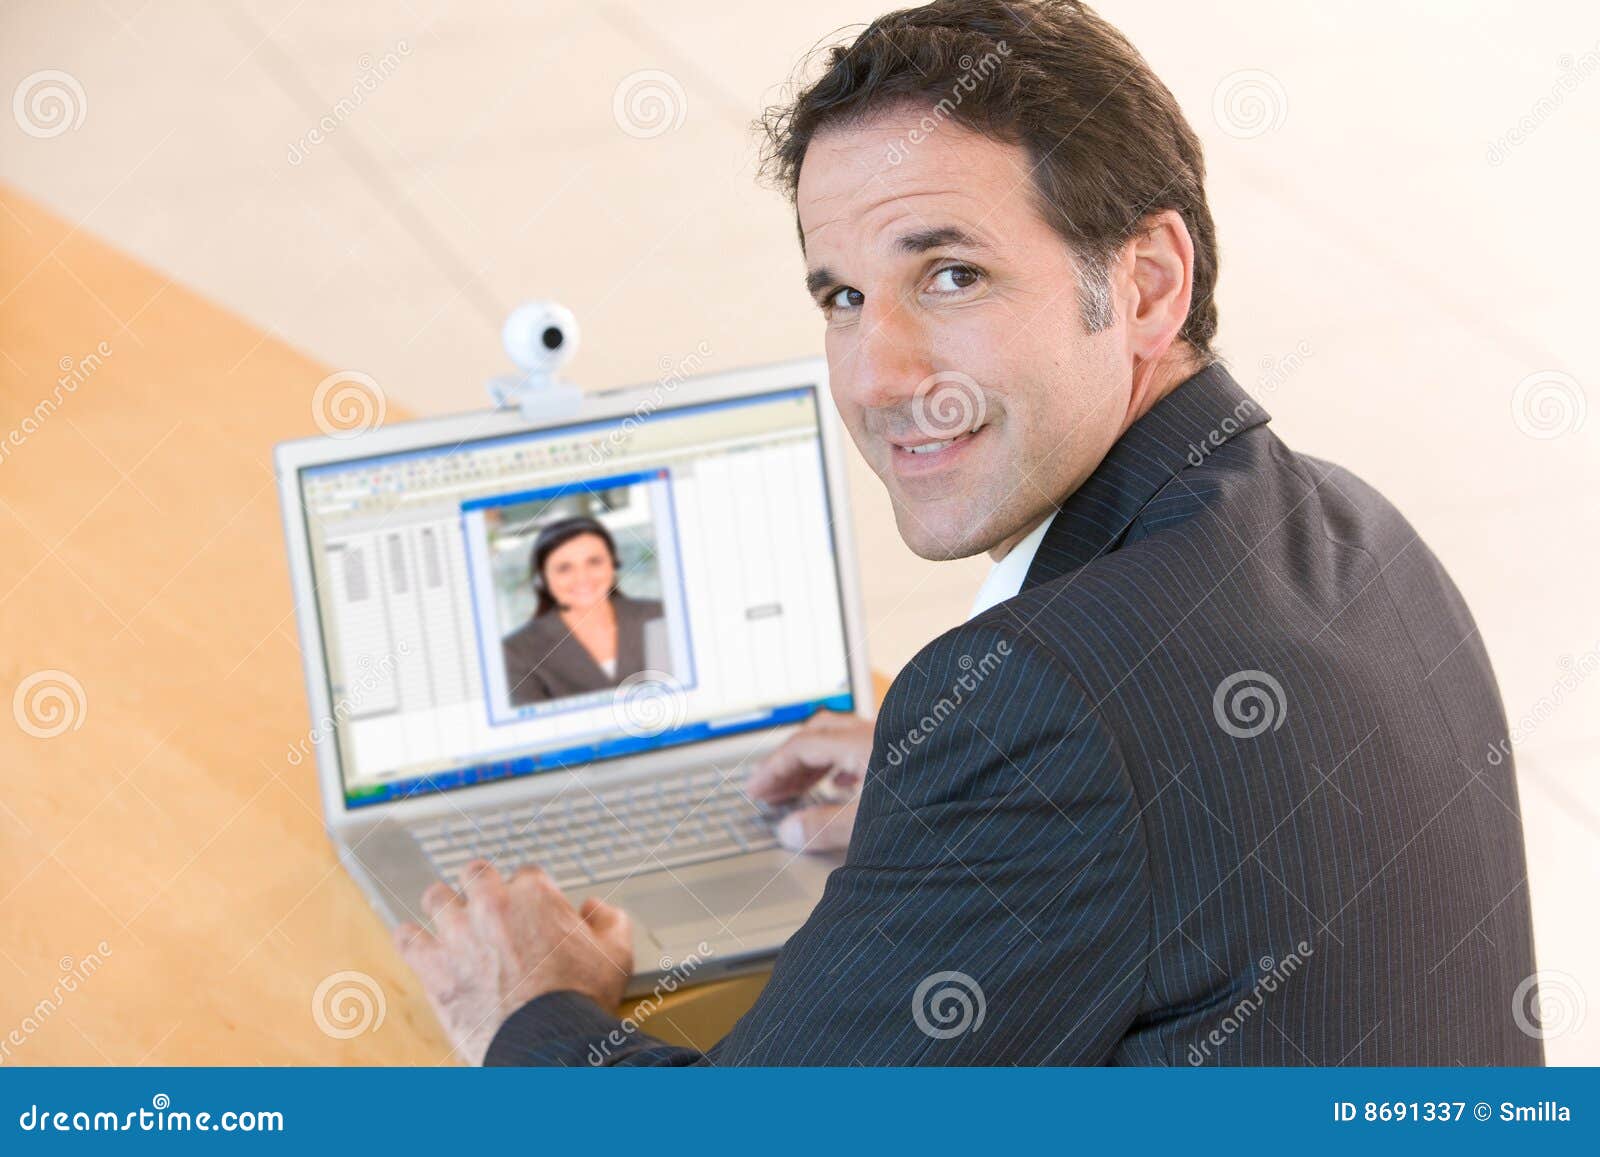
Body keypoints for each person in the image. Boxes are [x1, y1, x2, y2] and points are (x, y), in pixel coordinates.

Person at [396, 0, 1540, 1066]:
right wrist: (950, 808)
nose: (875, 376)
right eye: (842, 297)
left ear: (1147, 286)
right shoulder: (1355, 526)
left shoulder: (1047, 707)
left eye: (951, 274)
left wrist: (530, 1004)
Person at [500, 516, 664, 705]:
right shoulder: (516, 651)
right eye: (564, 568)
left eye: (594, 562)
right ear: (543, 579)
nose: (582, 578)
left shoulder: (659, 615)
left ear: (613, 564)